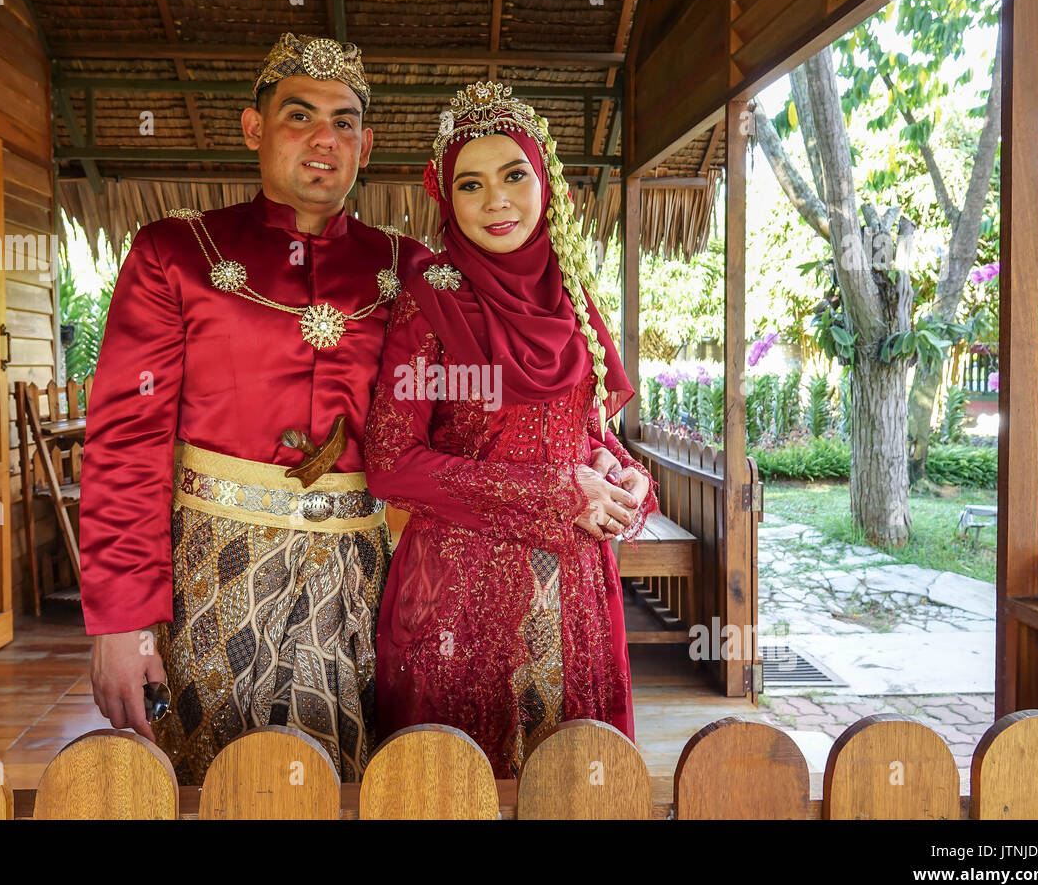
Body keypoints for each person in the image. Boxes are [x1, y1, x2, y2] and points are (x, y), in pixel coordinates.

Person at [78, 39, 628, 785]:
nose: (323, 139)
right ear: (253, 128)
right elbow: (123, 444)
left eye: (343, 122)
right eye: (299, 116)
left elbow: (522, 395)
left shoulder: (417, 271)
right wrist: (120, 620)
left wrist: (599, 462)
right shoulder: (177, 253)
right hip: (211, 575)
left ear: (366, 146)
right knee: (219, 783)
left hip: (365, 582)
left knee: (366, 781)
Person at [363, 80, 659, 778]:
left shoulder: (572, 292)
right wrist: (559, 493)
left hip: (578, 591)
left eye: (513, 174)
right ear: (447, 198)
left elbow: (585, 431)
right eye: (470, 184)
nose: (496, 199)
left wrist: (624, 473)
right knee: (453, 785)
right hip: (457, 600)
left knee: (573, 782)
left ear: (544, 179)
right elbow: (391, 463)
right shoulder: (431, 301)